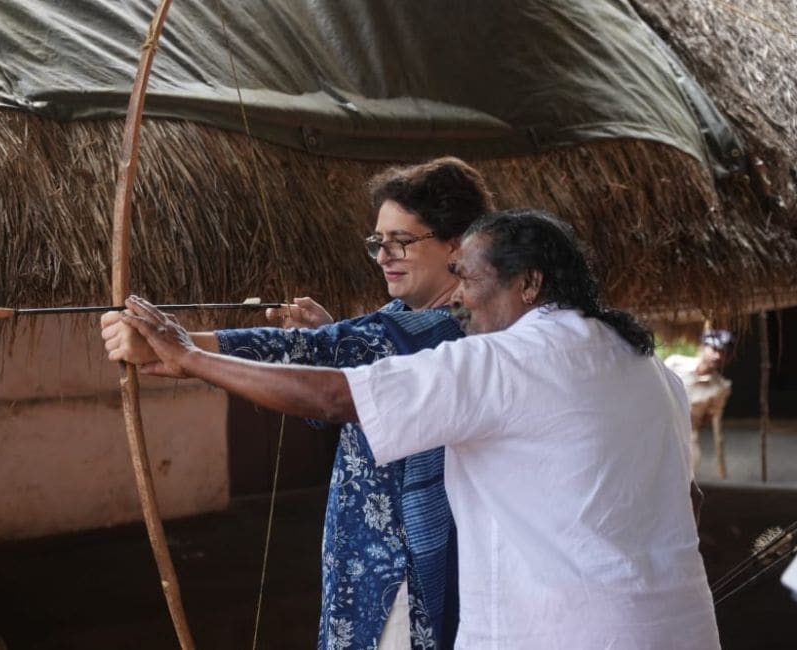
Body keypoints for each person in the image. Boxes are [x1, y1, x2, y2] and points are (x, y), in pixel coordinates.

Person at [106, 208, 719, 649]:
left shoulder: (508, 359)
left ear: (528, 283)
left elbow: (339, 393)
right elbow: (684, 502)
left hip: (563, 630)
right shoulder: (646, 366)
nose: (458, 298)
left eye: (470, 278)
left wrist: (190, 357)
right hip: (675, 624)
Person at [103, 157, 494, 649]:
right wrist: (326, 338)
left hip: (401, 565)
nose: (384, 255)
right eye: (378, 242)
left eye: (402, 241)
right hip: (368, 553)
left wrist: (181, 347)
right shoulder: (406, 316)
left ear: (457, 244)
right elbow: (346, 373)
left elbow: (333, 355)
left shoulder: (446, 326)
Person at [665, 330, 734, 478]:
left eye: (723, 353)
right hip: (657, 428)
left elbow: (709, 417)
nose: (718, 356)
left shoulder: (721, 387)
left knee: (687, 478)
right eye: (715, 350)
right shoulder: (675, 363)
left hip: (687, 436)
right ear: (702, 347)